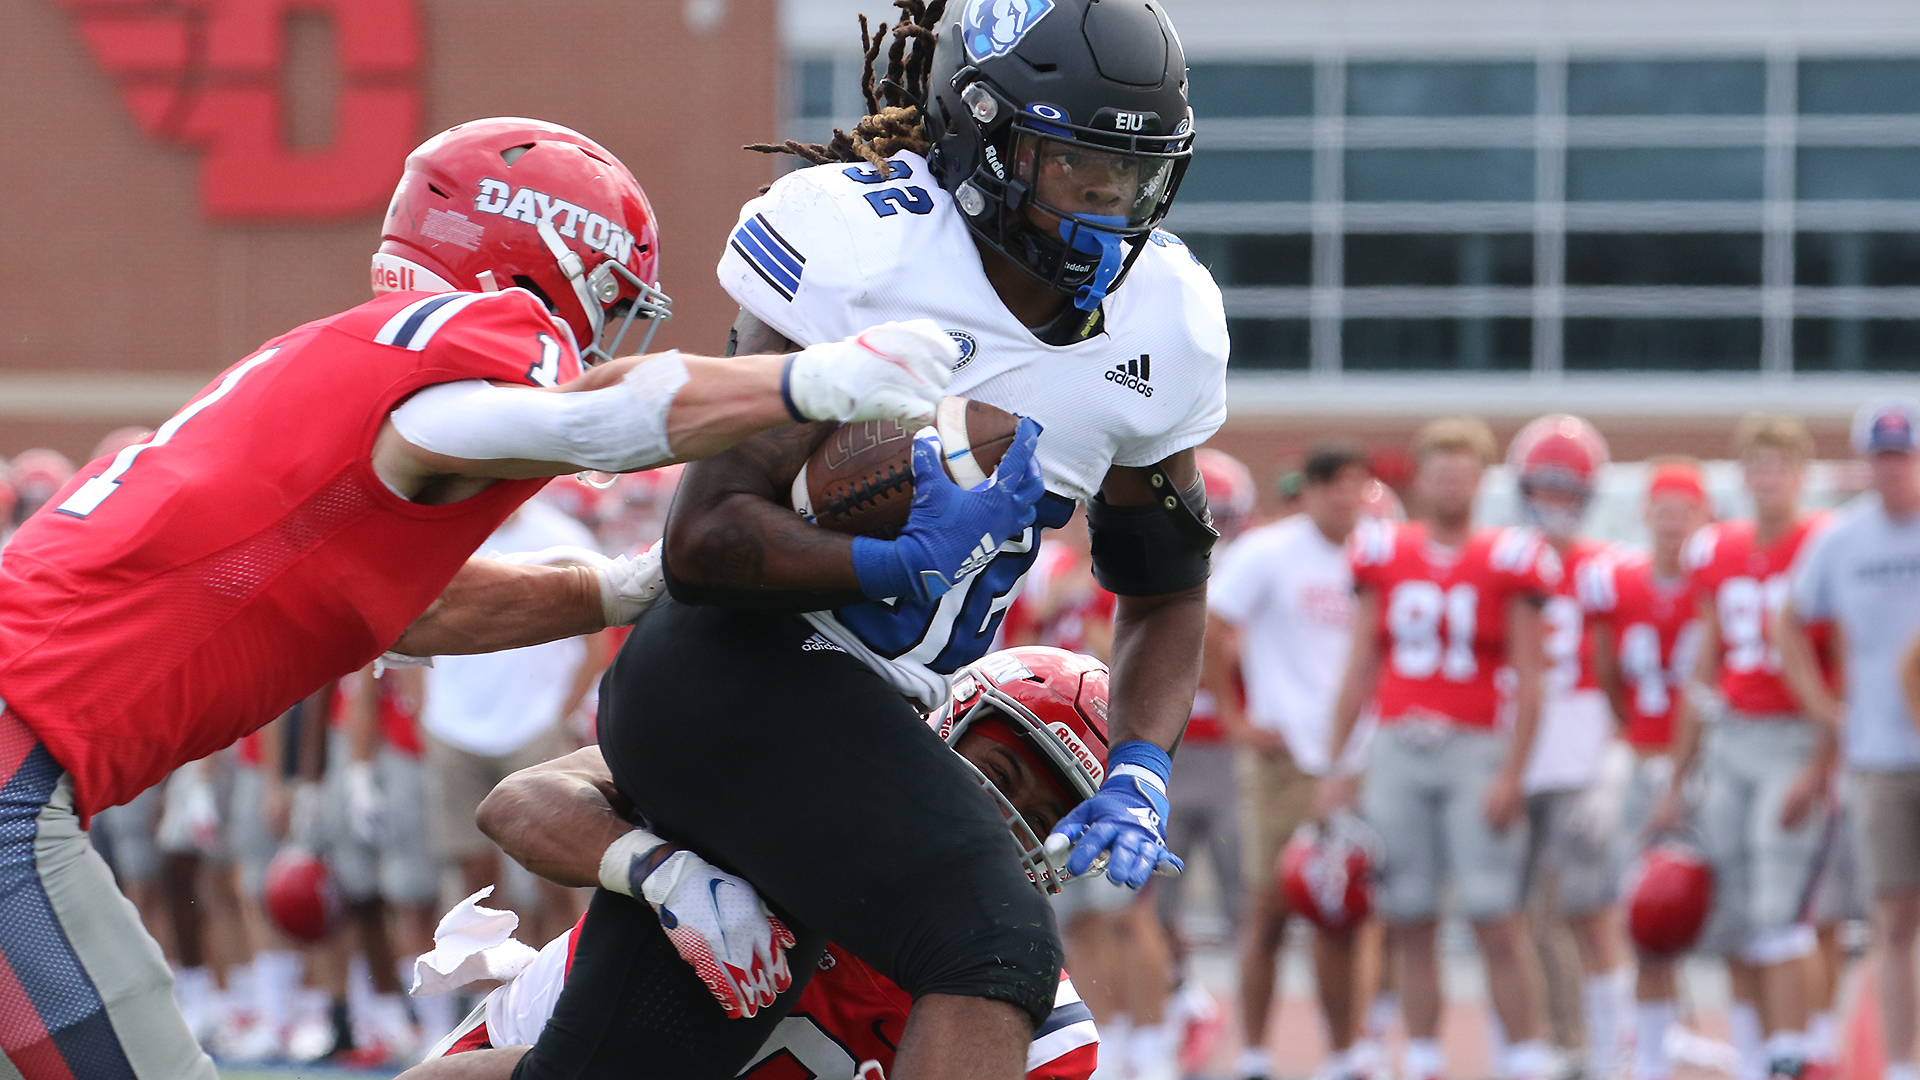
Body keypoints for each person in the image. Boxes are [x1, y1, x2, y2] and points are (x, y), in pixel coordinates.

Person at [0, 113, 977, 1079]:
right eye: (612, 299)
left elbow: (415, 609)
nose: (606, 331)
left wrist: (626, 586)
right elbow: (589, 423)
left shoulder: (341, 375)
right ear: (548, 268)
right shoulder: (464, 344)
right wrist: (817, 380)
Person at [506, 3, 1226, 1078]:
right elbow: (704, 536)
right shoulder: (859, 242)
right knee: (994, 945)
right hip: (731, 667)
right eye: (1077, 165)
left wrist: (1140, 768)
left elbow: (1166, 587)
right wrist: (895, 561)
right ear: (987, 139)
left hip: (874, 711)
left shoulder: (1165, 314)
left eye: (1131, 174)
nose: (1106, 202)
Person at [397, 646, 1109, 1080]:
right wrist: (664, 873)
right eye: (998, 776)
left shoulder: (1040, 1024)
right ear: (946, 726)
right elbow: (519, 801)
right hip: (527, 1054)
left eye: (1042, 820)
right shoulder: (782, 788)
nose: (1005, 820)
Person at [1317, 417, 1559, 1080]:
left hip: (1476, 747)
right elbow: (1360, 666)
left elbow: (1533, 678)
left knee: (1494, 913)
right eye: (1440, 471)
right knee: (1409, 914)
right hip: (1399, 746)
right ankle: (1423, 1055)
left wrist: (1514, 772)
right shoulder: (1383, 549)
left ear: (1482, 481)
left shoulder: (1512, 555)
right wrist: (1336, 766)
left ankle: (1526, 1054)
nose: (1451, 484)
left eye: (1463, 472)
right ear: (1419, 480)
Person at [1648, 414, 1833, 1080]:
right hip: (1732, 737)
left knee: (1780, 910)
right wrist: (1677, 779)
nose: (1768, 479)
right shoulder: (1718, 551)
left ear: (1802, 476)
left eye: (1780, 466)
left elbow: (1843, 664)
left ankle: (1801, 1050)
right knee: (1728, 912)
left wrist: (1822, 762)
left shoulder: (1823, 543)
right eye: (1757, 466)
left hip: (1794, 733)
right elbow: (1703, 671)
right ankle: (1759, 1054)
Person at [1205, 442, 1374, 1080]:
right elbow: (1212, 626)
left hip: (1359, 758)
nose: (1345, 497)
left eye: (1356, 483)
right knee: (1270, 908)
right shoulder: (1269, 552)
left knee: (1347, 915)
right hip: (1286, 757)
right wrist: (1236, 718)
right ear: (1310, 491)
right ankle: (1253, 1052)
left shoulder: (1378, 551)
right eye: (1333, 484)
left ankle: (1347, 1052)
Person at [1783, 398, 1920, 1080]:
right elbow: (1789, 619)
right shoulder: (1843, 540)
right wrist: (1822, 705)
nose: (1891, 469)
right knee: (1893, 916)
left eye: (1902, 456)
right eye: (1881, 457)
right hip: (1880, 755)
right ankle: (1900, 1065)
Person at [420, 502, 607, 945]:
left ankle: (561, 979)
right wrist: (427, 709)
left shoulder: (563, 538)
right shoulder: (439, 535)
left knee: (554, 874)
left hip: (534, 730)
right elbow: (408, 632)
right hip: (453, 729)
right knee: (476, 886)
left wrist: (557, 716)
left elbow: (597, 643)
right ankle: (492, 985)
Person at [1508, 415, 1632, 1078]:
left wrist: (1619, 753)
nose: (1554, 500)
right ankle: (1558, 1043)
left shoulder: (1609, 567)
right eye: (1544, 486)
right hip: (1514, 753)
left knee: (1589, 910)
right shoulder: (1503, 558)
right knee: (1521, 916)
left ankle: (1612, 1051)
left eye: (1566, 488)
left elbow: (1630, 670)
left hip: (1583, 753)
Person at [1581, 459, 1712, 1080]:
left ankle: (1731, 1041)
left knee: (1725, 916)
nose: (1673, 523)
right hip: (1643, 755)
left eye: (1684, 512)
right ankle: (1654, 1051)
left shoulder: (1715, 580)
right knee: (1646, 914)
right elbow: (1607, 670)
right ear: (1645, 515)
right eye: (1664, 511)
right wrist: (1633, 737)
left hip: (1709, 763)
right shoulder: (1618, 583)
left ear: (1704, 516)